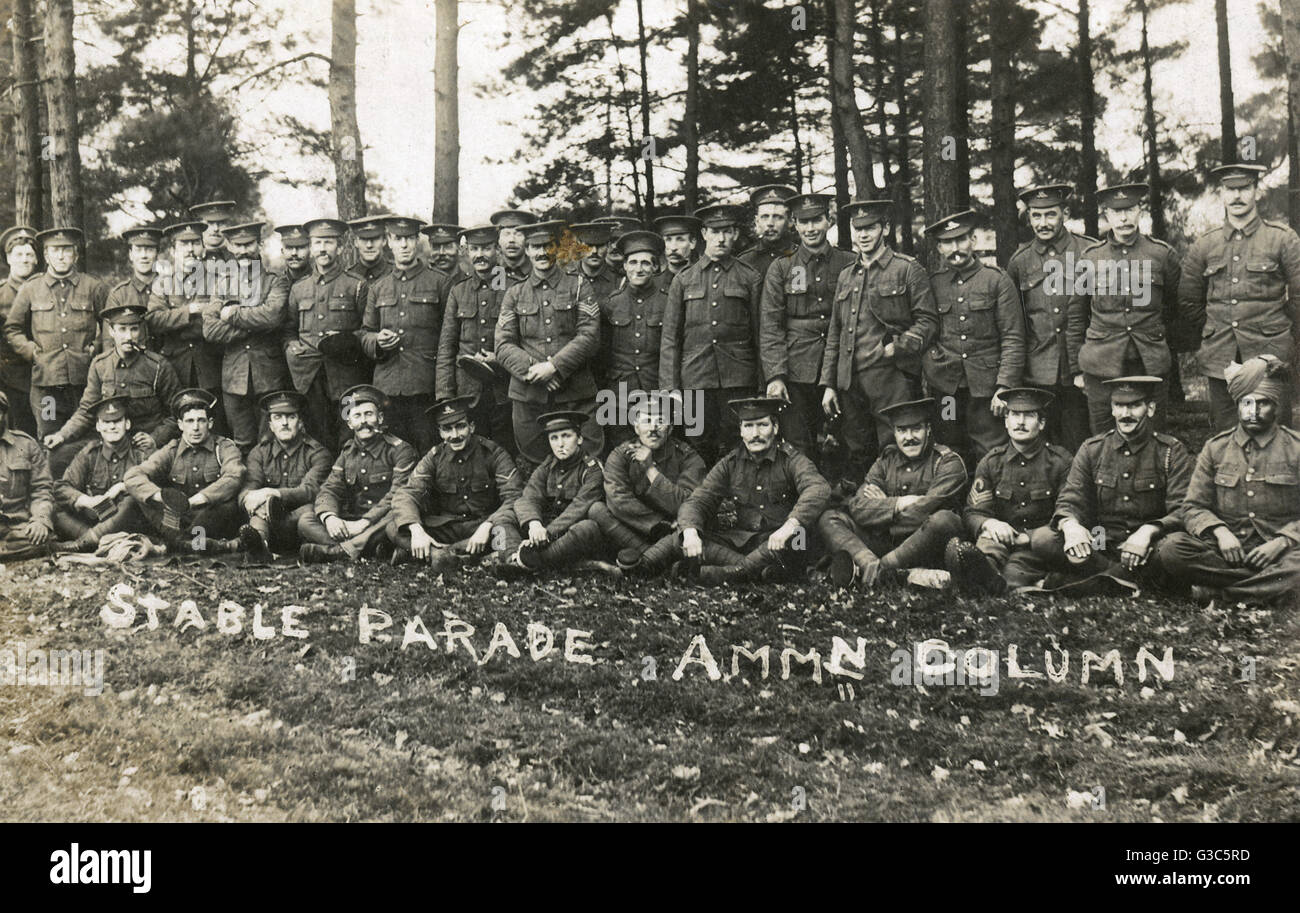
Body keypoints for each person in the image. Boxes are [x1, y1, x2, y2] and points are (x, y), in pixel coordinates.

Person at [634, 397, 829, 585]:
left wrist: (790, 526)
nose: (755, 434)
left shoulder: (790, 459)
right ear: (741, 431)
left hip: (781, 541)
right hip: (742, 542)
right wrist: (691, 531)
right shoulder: (731, 462)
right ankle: (637, 567)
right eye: (748, 426)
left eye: (762, 425)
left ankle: (717, 574)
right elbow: (699, 500)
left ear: (775, 428)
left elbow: (818, 489)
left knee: (797, 540)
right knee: (680, 536)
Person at [1157, 355, 1300, 606]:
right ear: (1237, 403)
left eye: (1263, 403)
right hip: (1226, 553)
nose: (1252, 412)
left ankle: (1221, 595)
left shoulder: (1295, 448)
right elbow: (1192, 507)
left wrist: (1282, 541)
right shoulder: (1216, 448)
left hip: (1282, 552)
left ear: (1276, 406)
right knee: (1171, 549)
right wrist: (1220, 532)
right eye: (1246, 403)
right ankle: (1267, 588)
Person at [1028, 376, 1191, 593]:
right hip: (1100, 542)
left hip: (1148, 546)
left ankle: (1081, 583)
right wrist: (1071, 525)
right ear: (1112, 409)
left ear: (1150, 408)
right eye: (1119, 406)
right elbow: (1072, 497)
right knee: (1043, 539)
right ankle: (1125, 579)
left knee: (1173, 548)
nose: (1126, 414)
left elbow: (1182, 509)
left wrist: (1148, 531)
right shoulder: (1092, 449)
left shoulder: (1171, 451)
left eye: (1134, 406)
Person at [1179, 163, 1300, 430]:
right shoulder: (1205, 244)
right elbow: (1189, 301)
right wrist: (1215, 327)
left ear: (1256, 191)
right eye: (1229, 189)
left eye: (1244, 188)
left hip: (1269, 354)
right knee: (1225, 433)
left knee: (1274, 431)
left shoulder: (1282, 239)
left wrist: (1280, 330)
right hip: (1221, 356)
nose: (1237, 196)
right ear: (1221, 194)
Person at [821, 199, 934, 475]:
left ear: (884, 228)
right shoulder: (847, 275)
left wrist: (899, 346)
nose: (863, 235)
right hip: (851, 381)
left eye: (870, 227)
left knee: (893, 447)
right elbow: (835, 333)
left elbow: (928, 321)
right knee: (858, 450)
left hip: (891, 378)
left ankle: (896, 509)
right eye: (858, 229)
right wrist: (829, 383)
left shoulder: (907, 269)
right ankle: (864, 509)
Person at [819, 397, 966, 590]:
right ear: (894, 433)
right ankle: (882, 571)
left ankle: (876, 571)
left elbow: (927, 511)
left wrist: (883, 511)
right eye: (902, 430)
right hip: (885, 542)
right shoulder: (886, 460)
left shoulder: (948, 462)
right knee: (830, 518)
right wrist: (898, 503)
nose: (909, 437)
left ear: (928, 429)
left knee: (944, 519)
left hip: (924, 544)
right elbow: (858, 507)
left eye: (916, 429)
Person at [494, 219, 604, 467]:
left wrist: (554, 367)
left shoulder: (578, 286)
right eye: (535, 247)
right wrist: (537, 369)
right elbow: (502, 345)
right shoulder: (514, 293)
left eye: (548, 245)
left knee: (587, 460)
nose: (542, 252)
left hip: (576, 393)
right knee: (537, 465)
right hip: (529, 397)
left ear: (557, 248)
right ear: (527, 250)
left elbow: (590, 336)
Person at [660, 203, 765, 462]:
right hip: (696, 377)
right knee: (697, 442)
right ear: (704, 234)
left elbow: (761, 334)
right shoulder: (684, 279)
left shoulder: (749, 277)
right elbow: (671, 339)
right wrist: (670, 387)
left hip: (739, 378)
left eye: (727, 231)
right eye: (715, 231)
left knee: (737, 440)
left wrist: (763, 383)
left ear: (736, 235)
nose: (721, 238)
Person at [942, 387, 1073, 594]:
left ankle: (985, 582)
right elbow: (974, 511)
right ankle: (978, 571)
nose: (1020, 422)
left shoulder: (1060, 462)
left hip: (1035, 545)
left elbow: (1067, 510)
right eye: (1014, 415)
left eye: (1029, 416)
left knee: (1014, 575)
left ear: (1042, 423)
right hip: (999, 539)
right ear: (1006, 421)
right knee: (986, 551)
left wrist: (1029, 536)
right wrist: (989, 523)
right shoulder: (992, 461)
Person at [1075, 183, 1182, 434]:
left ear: (1140, 211)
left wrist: (1164, 351)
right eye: (1116, 211)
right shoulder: (1090, 258)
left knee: (1153, 434)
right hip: (1101, 364)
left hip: (1150, 363)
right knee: (1102, 437)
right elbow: (1077, 316)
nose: (1123, 217)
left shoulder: (1161, 254)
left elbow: (1176, 309)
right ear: (1106, 215)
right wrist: (1076, 370)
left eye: (1130, 209)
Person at [922, 209, 1025, 466]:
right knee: (948, 442)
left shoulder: (996, 281)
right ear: (939, 248)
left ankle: (985, 502)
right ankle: (953, 502)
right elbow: (925, 328)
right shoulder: (934, 284)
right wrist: (931, 366)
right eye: (947, 242)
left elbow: (1013, 337)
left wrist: (1004, 387)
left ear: (974, 241)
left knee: (989, 447)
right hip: (946, 389)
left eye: (961, 240)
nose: (955, 248)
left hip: (986, 388)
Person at [759, 192, 855, 458]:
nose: (810, 228)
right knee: (799, 442)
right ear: (795, 224)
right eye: (804, 222)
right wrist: (776, 376)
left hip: (842, 362)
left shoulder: (849, 262)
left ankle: (849, 493)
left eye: (817, 220)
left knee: (850, 436)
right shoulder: (782, 268)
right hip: (797, 366)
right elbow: (771, 325)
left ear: (829, 221)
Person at [388, 394, 523, 573]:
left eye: (460, 427)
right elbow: (408, 493)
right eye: (447, 429)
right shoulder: (434, 457)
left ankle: (508, 562)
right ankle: (444, 554)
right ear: (440, 432)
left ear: (471, 427)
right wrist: (417, 530)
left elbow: (514, 497)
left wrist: (488, 524)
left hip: (483, 526)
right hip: (446, 527)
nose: (455, 435)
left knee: (505, 531)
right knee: (394, 526)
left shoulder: (494, 454)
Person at [1004, 183, 1092, 450]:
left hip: (1080, 370)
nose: (1043, 223)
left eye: (1050, 214)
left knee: (1080, 444)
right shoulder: (1020, 261)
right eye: (1036, 216)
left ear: (1064, 213)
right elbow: (1015, 322)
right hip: (1037, 372)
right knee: (1042, 448)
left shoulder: (1088, 252)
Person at [359, 216, 456, 452]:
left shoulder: (439, 282)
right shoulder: (378, 287)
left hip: (425, 386)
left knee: (427, 450)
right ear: (389, 242)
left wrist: (444, 389)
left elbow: (450, 336)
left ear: (417, 241)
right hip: (387, 388)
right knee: (392, 452)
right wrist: (377, 341)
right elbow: (365, 333)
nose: (403, 245)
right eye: (397, 239)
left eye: (409, 238)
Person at [3, 227, 109, 442]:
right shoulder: (31, 288)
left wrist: (97, 349)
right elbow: (12, 328)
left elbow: (109, 323)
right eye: (55, 250)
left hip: (84, 382)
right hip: (46, 387)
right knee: (50, 436)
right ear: (46, 255)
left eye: (66, 250)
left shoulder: (93, 287)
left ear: (76, 254)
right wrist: (32, 352)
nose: (61, 255)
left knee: (88, 435)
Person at [42, 303, 181, 461]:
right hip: (109, 441)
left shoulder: (157, 366)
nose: (128, 336)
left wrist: (155, 438)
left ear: (141, 331)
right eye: (122, 329)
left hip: (144, 445)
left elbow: (177, 413)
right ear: (111, 331)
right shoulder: (100, 365)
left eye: (134, 329)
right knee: (59, 455)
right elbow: (86, 411)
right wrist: (62, 435)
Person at [297, 384, 416, 563]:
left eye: (369, 414)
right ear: (350, 423)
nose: (363, 422)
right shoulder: (347, 452)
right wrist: (330, 518)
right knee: (307, 520)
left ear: (380, 417)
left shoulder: (400, 450)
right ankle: (365, 548)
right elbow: (330, 488)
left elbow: (398, 495)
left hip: (380, 520)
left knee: (396, 517)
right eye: (357, 416)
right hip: (354, 521)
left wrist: (364, 523)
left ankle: (339, 551)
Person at [202, 220, 292, 453]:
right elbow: (210, 330)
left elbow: (273, 317)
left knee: (270, 443)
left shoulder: (276, 280)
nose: (242, 251)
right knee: (240, 444)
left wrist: (231, 314)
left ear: (259, 244)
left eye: (248, 244)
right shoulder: (223, 283)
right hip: (234, 378)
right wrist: (254, 322)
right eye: (236, 245)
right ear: (230, 247)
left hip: (268, 376)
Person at [123, 388, 245, 554]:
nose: (195, 427)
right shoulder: (171, 450)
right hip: (178, 520)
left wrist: (195, 501)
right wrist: (163, 498)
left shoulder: (224, 447)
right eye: (189, 421)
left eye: (201, 421)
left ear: (210, 423)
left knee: (228, 504)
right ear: (180, 425)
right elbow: (132, 476)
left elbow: (234, 476)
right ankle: (200, 545)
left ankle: (179, 544)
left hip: (210, 517)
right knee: (141, 499)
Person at [590, 396, 706, 571]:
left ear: (670, 428)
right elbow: (618, 499)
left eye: (660, 421)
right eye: (647, 421)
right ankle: (654, 556)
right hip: (638, 528)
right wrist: (658, 524)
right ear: (636, 427)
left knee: (689, 527)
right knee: (597, 510)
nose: (653, 428)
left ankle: (644, 561)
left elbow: (688, 504)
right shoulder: (620, 455)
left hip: (676, 528)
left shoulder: (687, 456)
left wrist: (650, 469)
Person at [282, 218, 371, 447]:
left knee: (348, 431)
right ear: (311, 247)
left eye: (329, 242)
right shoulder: (299, 287)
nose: (323, 248)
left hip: (345, 376)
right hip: (309, 378)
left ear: (340, 248)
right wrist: (291, 347)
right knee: (316, 435)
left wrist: (348, 341)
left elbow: (367, 328)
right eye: (317, 242)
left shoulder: (356, 285)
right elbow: (289, 329)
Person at [436, 224, 517, 453]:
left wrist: (500, 359)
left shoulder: (514, 288)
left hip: (505, 391)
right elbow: (446, 346)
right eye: (474, 249)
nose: (480, 255)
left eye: (486, 248)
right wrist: (445, 395)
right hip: (468, 393)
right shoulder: (458, 291)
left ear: (497, 250)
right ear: (467, 252)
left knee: (504, 453)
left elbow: (524, 341)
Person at [237, 390, 334, 562]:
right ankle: (259, 546)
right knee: (258, 514)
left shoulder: (317, 453)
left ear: (301, 422)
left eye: (291, 417)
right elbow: (249, 486)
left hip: (300, 526)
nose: (284, 423)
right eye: (278, 417)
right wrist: (248, 500)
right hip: (270, 525)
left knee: (308, 511)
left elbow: (310, 490)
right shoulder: (259, 453)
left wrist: (273, 493)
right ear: (270, 425)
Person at [597, 230, 671, 445]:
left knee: (658, 443)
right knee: (620, 446)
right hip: (619, 390)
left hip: (656, 386)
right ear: (625, 266)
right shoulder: (612, 303)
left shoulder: (668, 301)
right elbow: (602, 352)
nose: (639, 269)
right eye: (633, 262)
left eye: (646, 263)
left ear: (655, 267)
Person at [52, 396, 154, 551]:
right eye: (106, 422)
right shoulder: (90, 453)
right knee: (54, 507)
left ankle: (82, 545)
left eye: (117, 421)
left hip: (131, 525)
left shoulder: (141, 453)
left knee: (132, 500)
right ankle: (100, 542)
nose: (112, 426)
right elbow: (61, 487)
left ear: (127, 424)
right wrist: (87, 501)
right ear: (98, 426)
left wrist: (123, 486)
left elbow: (155, 486)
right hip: (94, 523)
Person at [510, 410, 606, 572]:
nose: (560, 444)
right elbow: (528, 497)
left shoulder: (592, 469)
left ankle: (525, 562)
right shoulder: (548, 466)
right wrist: (534, 525)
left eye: (566, 436)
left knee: (587, 528)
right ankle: (515, 556)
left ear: (580, 439)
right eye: (554, 438)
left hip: (570, 533)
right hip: (544, 531)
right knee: (509, 516)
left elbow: (579, 508)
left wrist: (546, 533)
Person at [146, 222, 223, 417]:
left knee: (215, 420)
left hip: (211, 363)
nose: (190, 249)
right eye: (183, 244)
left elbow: (222, 320)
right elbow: (153, 320)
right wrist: (190, 311)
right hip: (175, 367)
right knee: (178, 419)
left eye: (195, 243)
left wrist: (175, 323)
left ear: (203, 247)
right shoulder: (162, 282)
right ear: (173, 250)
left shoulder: (217, 279)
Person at [0, 390, 55, 561]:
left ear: (3, 414)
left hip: (16, 527)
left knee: (39, 540)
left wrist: (40, 520)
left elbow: (42, 490)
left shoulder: (26, 445)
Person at [0, 225, 39, 436]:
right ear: (8, 259)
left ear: (35, 259)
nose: (24, 260)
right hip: (11, 381)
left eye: (29, 254)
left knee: (47, 424)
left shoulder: (44, 290)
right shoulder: (1, 294)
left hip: (44, 376)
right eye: (19, 254)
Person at [738, 184, 797, 275]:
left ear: (790, 221)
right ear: (757, 221)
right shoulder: (745, 261)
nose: (770, 223)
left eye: (777, 217)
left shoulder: (800, 256)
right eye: (765, 217)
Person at [490, 209, 539, 283]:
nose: (511, 240)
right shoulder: (490, 272)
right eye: (506, 234)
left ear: (527, 239)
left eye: (518, 234)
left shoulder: (538, 271)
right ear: (498, 240)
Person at [345, 215, 393, 284]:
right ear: (355, 242)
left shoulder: (395, 273)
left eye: (375, 238)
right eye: (364, 239)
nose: (369, 245)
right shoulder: (347, 277)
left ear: (384, 241)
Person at [655, 214, 701, 278]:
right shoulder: (655, 283)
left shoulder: (703, 279)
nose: (673, 248)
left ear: (692, 243)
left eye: (680, 240)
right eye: (668, 240)